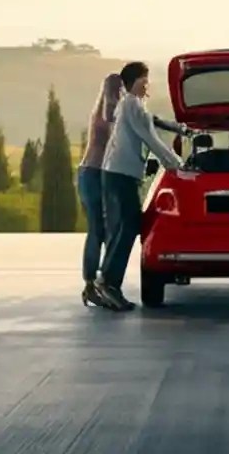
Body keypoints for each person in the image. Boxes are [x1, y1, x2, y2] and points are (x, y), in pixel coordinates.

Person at [79, 72, 187, 308]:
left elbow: (149, 123)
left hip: (115, 173)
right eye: (144, 80)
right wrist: (176, 163)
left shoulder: (129, 106)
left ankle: (104, 282)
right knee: (114, 227)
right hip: (107, 174)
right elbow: (147, 134)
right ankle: (101, 283)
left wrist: (178, 128)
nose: (147, 84)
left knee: (117, 228)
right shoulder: (120, 108)